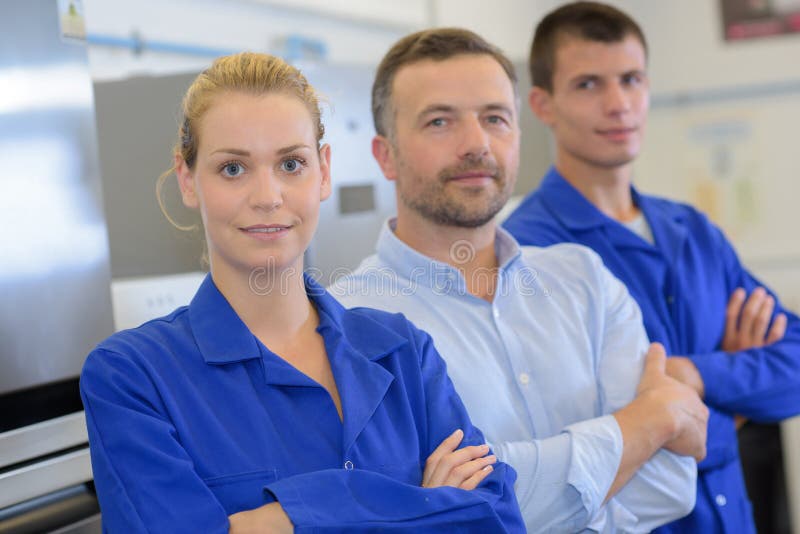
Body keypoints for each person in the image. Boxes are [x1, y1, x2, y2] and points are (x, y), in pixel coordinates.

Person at [79, 52, 525, 533]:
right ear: (188, 179)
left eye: (291, 163)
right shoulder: (133, 377)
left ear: (324, 171)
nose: (268, 196)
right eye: (233, 168)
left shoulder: (403, 353)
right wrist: (423, 504)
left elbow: (497, 518)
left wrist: (288, 517)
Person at [331, 28, 708, 533]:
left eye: (495, 118)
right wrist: (645, 424)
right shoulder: (348, 324)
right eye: (439, 121)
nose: (476, 144)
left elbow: (670, 486)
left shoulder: (587, 281)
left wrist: (489, 497)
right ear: (385, 155)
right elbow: (419, 521)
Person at [502, 2, 800, 533]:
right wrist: (735, 397)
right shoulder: (529, 252)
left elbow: (794, 368)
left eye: (631, 79)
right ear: (543, 104)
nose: (619, 104)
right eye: (589, 84)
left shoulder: (692, 231)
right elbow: (579, 453)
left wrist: (697, 376)